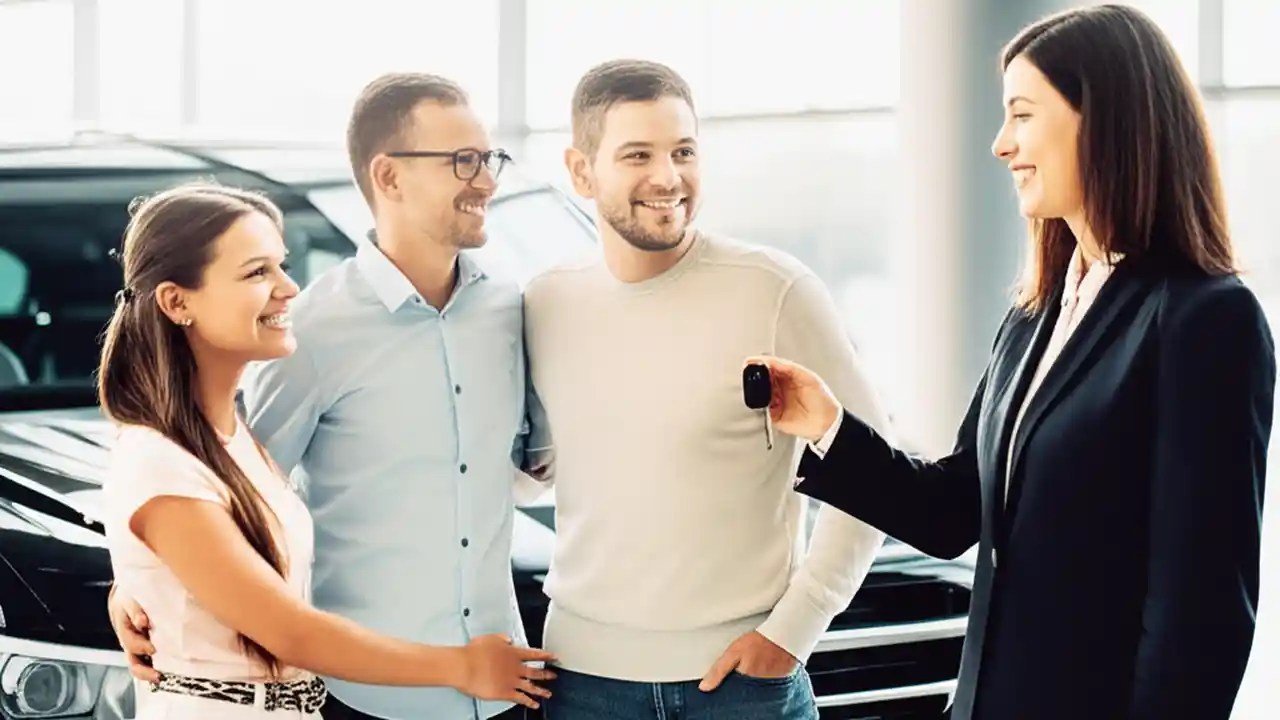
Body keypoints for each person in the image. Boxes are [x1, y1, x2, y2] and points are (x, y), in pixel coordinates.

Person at [745, 6, 1276, 720]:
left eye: (1022, 115)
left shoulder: (1207, 320)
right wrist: (828, 425)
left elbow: (1201, 614)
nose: (1001, 144)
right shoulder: (1036, 315)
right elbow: (955, 510)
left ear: (1105, 118)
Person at [107, 74, 555, 720]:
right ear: (389, 177)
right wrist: (134, 582)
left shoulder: (512, 310)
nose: (486, 179)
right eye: (463, 161)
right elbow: (220, 500)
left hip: (505, 686)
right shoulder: (306, 332)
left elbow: (538, 463)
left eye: (490, 159)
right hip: (367, 700)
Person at [520, 59, 888, 720]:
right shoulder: (544, 302)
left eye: (683, 151)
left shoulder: (775, 290)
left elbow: (875, 473)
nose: (668, 177)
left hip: (743, 688)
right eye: (637, 154)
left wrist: (794, 631)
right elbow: (534, 470)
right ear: (581, 171)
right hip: (580, 684)